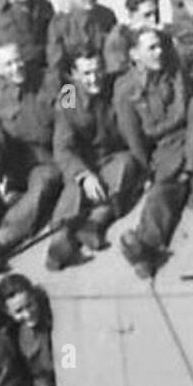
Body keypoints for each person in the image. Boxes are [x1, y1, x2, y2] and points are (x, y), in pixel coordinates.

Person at [115, 27, 193, 277]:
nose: (159, 52)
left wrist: (170, 29)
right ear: (135, 54)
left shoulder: (175, 70)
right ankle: (145, 248)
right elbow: (134, 138)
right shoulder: (125, 89)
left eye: (160, 46)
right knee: (162, 193)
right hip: (164, 150)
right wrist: (145, 171)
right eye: (151, 48)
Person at [47, 50, 144, 270]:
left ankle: (95, 223)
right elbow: (62, 149)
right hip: (81, 162)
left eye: (98, 70)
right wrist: (84, 175)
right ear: (73, 74)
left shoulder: (112, 85)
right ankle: (59, 241)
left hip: (110, 158)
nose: (94, 78)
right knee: (73, 188)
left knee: (127, 165)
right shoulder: (68, 95)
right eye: (86, 73)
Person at [0, 41, 63, 272]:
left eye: (18, 60)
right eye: (9, 64)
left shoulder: (48, 80)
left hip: (50, 158)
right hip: (20, 164)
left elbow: (69, 94)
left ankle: (0, 243)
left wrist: (69, 112)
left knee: (44, 183)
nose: (17, 67)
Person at [46, 0, 118, 88]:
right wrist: (68, 99)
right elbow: (56, 66)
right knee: (67, 106)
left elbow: (114, 57)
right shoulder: (60, 23)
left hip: (101, 84)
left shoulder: (107, 17)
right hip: (70, 85)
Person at [103, 0, 161, 79]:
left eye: (157, 14)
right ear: (131, 15)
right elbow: (117, 77)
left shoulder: (162, 37)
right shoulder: (117, 40)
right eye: (147, 15)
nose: (153, 20)